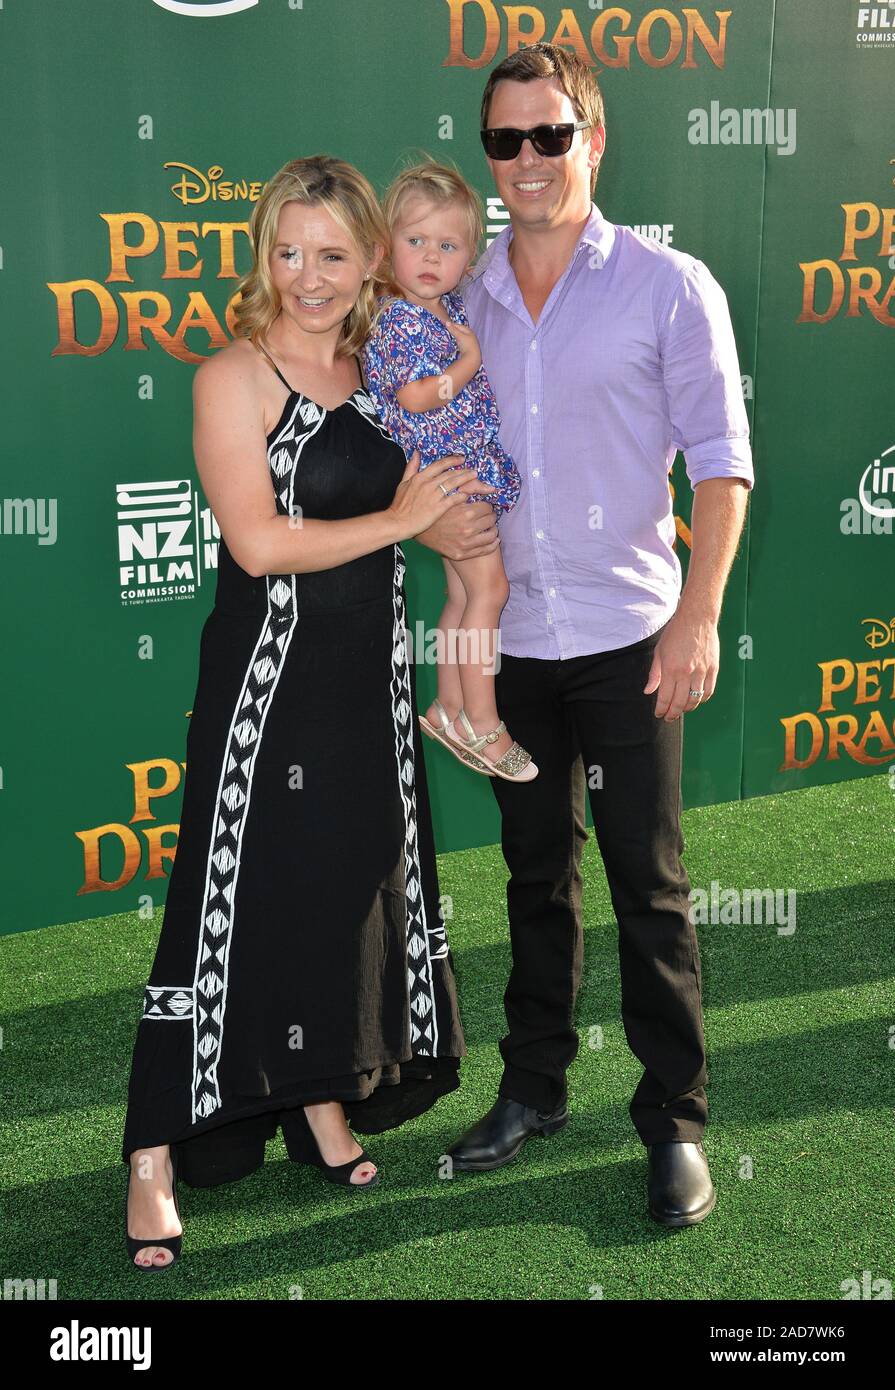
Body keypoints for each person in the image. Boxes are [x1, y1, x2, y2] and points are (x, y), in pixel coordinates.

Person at [415, 43, 754, 1226]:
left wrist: (698, 618)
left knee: (648, 886)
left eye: (549, 135)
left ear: (592, 140)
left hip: (628, 633)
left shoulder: (669, 286)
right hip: (513, 643)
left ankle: (675, 1120)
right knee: (531, 876)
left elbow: (720, 471)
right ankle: (534, 1088)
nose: (527, 160)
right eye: (505, 140)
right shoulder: (457, 299)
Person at [121, 154, 475, 1269]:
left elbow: (461, 470)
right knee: (225, 900)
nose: (311, 277)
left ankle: (321, 1097)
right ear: (262, 255)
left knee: (340, 889)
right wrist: (401, 519)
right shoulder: (232, 376)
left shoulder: (382, 366)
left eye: (333, 254)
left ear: (371, 256)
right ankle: (152, 1153)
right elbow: (259, 544)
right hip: (266, 687)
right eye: (289, 252)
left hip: (365, 679)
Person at [362, 159, 536, 784]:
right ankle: (485, 725)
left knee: (464, 593)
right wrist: (468, 360)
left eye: (449, 245)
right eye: (416, 242)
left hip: (457, 468)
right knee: (489, 591)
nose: (431, 256)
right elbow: (414, 397)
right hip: (447, 473)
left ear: (470, 256)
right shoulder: (399, 316)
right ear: (386, 250)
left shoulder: (444, 306)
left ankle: (448, 705)